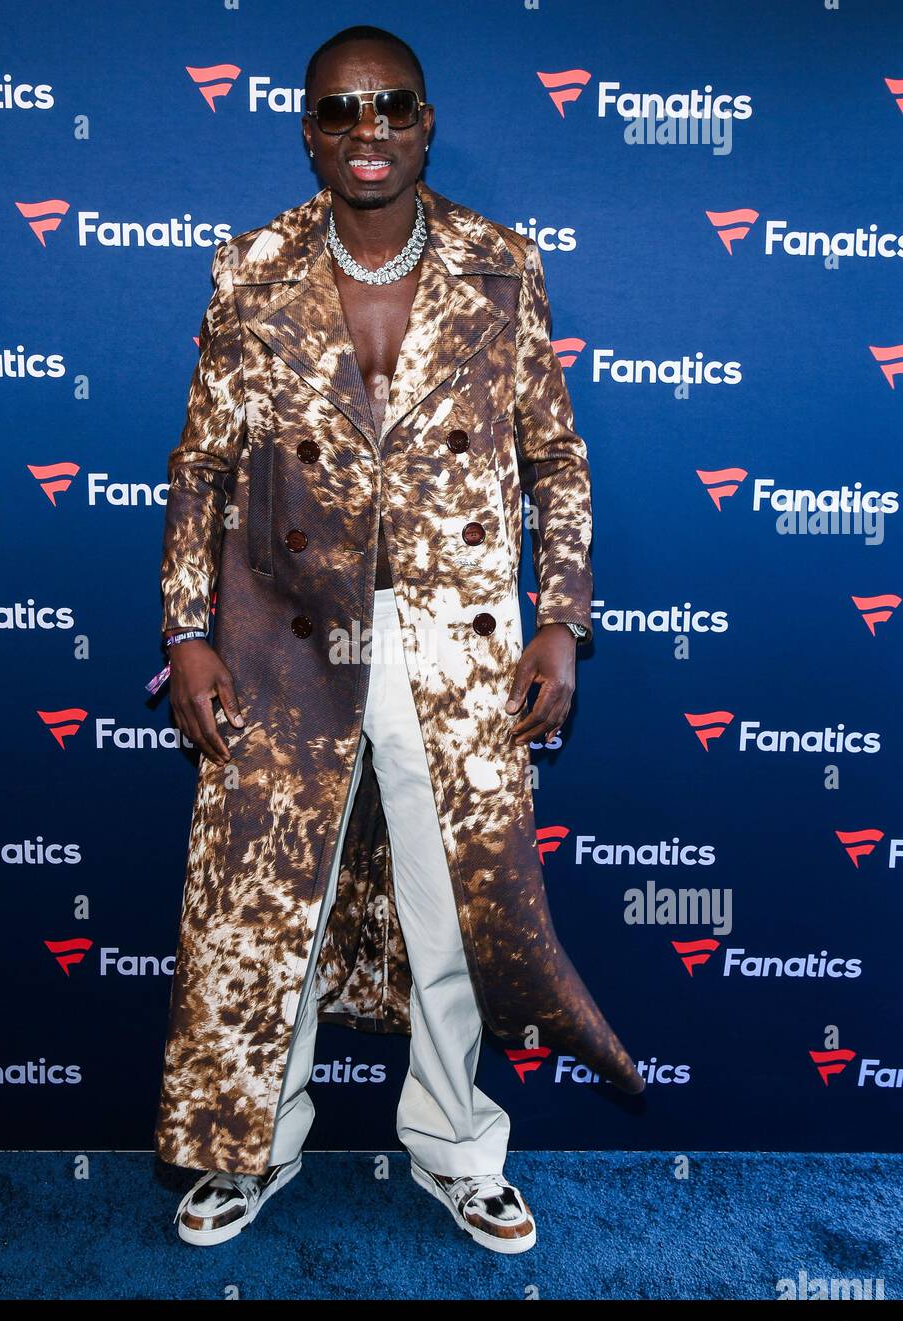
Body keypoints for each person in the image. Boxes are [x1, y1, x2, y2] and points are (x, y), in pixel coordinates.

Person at [155, 24, 643, 1256]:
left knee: (454, 914)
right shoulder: (249, 267)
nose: (365, 132)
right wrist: (187, 630)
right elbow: (203, 467)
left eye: (391, 107)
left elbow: (555, 459)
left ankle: (453, 1146)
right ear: (305, 129)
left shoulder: (501, 267)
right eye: (338, 110)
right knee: (266, 911)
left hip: (457, 641)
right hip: (282, 639)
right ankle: (247, 1145)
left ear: (426, 121)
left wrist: (561, 618)